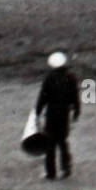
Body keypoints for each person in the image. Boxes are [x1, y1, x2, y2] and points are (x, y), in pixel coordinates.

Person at [36, 52, 81, 180]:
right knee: (63, 142)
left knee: (50, 144)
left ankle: (51, 172)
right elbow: (75, 97)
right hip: (64, 114)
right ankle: (66, 168)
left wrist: (38, 112)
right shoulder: (71, 77)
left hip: (51, 114)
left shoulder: (49, 78)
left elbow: (42, 97)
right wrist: (77, 111)